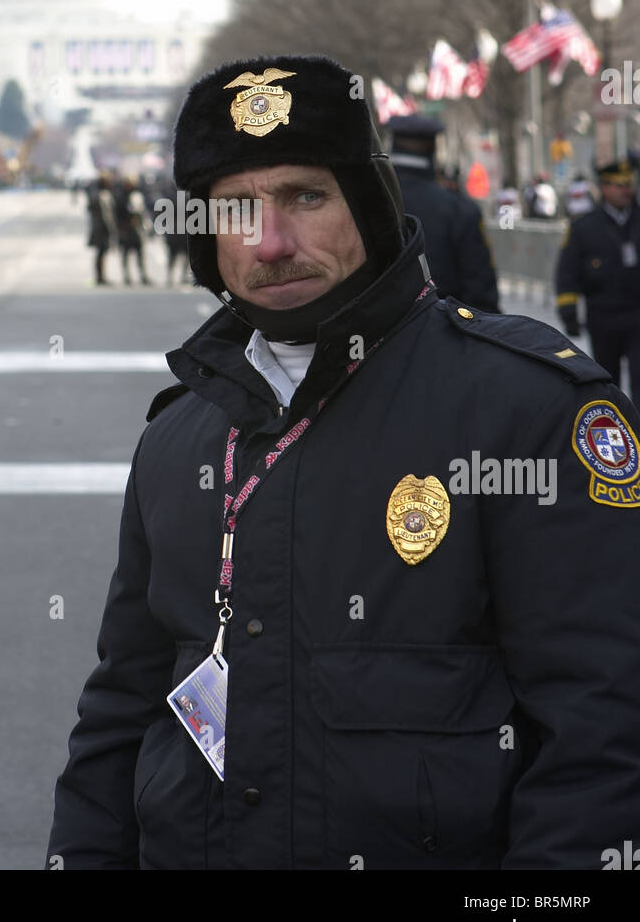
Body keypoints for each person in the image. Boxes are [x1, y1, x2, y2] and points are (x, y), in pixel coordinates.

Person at [46, 55, 640, 871]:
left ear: (367, 205)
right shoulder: (176, 438)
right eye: (235, 208)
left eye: (305, 197)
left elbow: (604, 731)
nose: (270, 241)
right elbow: (118, 721)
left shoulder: (527, 410)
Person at [387, 114, 499, 312]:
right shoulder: (459, 209)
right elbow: (479, 284)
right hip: (444, 326)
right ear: (433, 150)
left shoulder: (365, 201)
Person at [556, 158, 640, 396]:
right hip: (603, 316)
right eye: (619, 185)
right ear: (604, 187)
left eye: (628, 184)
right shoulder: (584, 227)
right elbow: (567, 272)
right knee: (607, 383)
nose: (626, 190)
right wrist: (568, 312)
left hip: (637, 315)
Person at [113, 175, 152, 286]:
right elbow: (118, 213)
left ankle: (143, 276)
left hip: (136, 229)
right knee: (126, 254)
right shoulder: (121, 196)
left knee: (140, 254)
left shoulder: (137, 195)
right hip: (126, 229)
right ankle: (127, 276)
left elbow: (142, 211)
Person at [86, 173, 117, 286]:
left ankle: (101, 276)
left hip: (100, 228)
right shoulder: (102, 195)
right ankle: (100, 277)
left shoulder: (98, 195)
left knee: (101, 253)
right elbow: (107, 216)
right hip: (101, 229)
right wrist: (111, 230)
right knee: (101, 253)